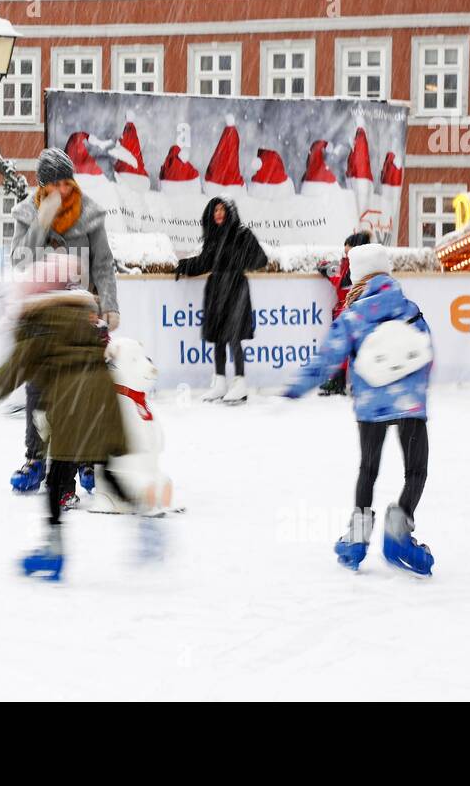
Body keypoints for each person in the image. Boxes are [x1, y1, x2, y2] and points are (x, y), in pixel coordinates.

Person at [0, 255, 145, 581]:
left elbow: (17, 368)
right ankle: (145, 526)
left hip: (70, 403)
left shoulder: (38, 321)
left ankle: (52, 552)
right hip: (100, 400)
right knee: (106, 469)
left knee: (55, 481)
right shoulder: (86, 317)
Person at [282, 243, 435, 575]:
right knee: (416, 471)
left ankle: (357, 538)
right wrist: (417, 391)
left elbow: (328, 357)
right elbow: (427, 350)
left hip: (371, 405)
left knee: (369, 469)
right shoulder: (409, 308)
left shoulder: (352, 316)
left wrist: (296, 389)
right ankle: (399, 528)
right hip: (409, 403)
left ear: (357, 275)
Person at [6, 148, 119, 500]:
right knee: (38, 388)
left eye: (65, 182)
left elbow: (103, 264)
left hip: (84, 313)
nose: (61, 190)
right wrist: (42, 221)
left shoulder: (90, 214)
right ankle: (36, 458)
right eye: (53, 183)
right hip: (43, 314)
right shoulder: (27, 213)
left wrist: (110, 306)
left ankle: (86, 459)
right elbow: (20, 261)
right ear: (42, 186)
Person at [174, 197, 269, 404]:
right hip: (216, 291)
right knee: (218, 338)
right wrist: (183, 266)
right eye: (215, 210)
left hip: (235, 289)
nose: (218, 213)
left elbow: (261, 259)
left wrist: (237, 263)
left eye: (222, 209)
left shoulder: (242, 234)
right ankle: (219, 383)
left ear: (229, 211)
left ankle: (240, 383)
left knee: (234, 337)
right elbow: (204, 263)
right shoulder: (213, 237)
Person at [315, 231, 372, 396]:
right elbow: (337, 276)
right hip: (346, 312)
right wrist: (327, 268)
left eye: (347, 244)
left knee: (357, 349)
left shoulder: (359, 265)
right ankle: (340, 381)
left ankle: (357, 383)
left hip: (355, 312)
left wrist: (329, 272)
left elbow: (342, 282)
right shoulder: (348, 263)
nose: (344, 248)